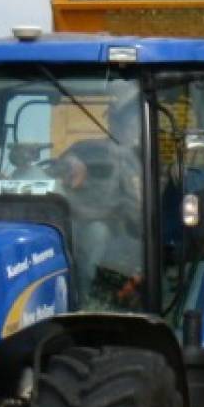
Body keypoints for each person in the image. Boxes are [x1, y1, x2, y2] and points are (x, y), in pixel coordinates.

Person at [51, 92, 146, 306]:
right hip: (91, 226)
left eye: (134, 121)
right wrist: (71, 164)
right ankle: (83, 302)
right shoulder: (88, 149)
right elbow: (61, 167)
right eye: (124, 121)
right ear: (113, 122)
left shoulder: (145, 157)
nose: (131, 128)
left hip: (134, 234)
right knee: (96, 234)